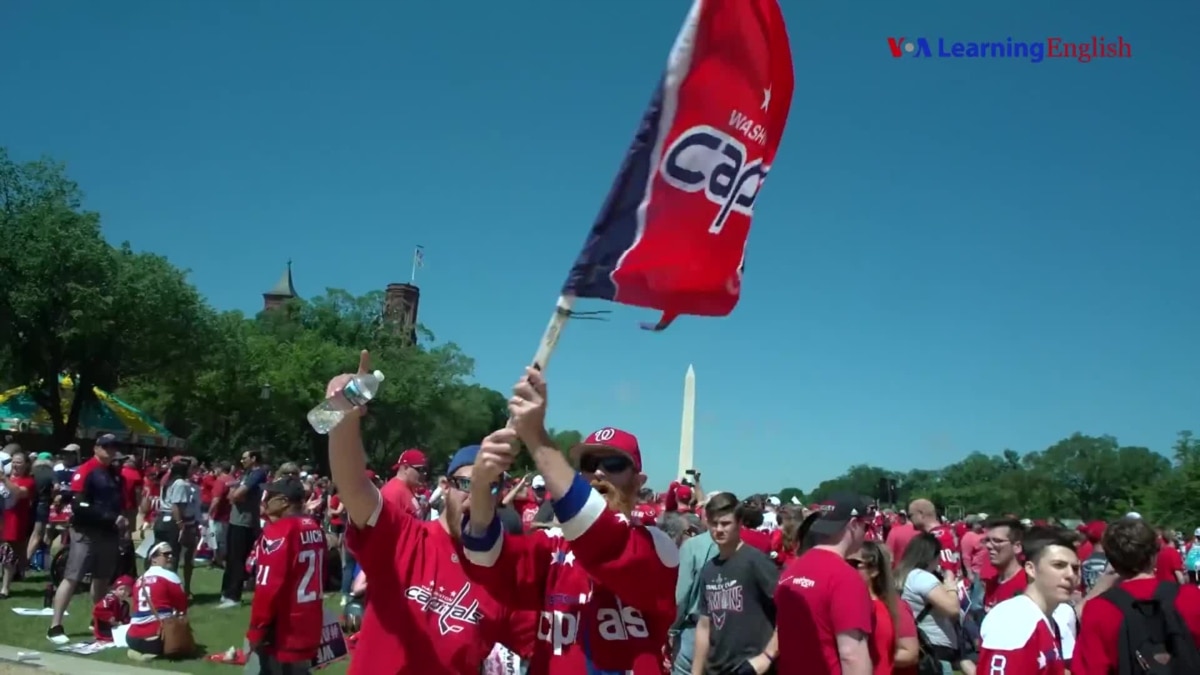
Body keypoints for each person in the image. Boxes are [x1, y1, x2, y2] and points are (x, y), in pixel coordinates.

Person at [325, 350, 534, 674]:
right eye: (468, 484)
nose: (475, 495)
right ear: (445, 486)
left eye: (489, 487)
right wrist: (343, 415)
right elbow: (352, 486)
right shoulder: (405, 537)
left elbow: (546, 649)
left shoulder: (504, 574)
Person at [462, 367, 679, 674]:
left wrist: (535, 436)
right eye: (590, 464)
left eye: (614, 463)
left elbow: (602, 539)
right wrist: (482, 484)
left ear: (638, 481)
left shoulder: (658, 547)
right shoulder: (552, 546)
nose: (599, 473)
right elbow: (483, 556)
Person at [1073, 517, 1200, 674]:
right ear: (1155, 554)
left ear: (1111, 560)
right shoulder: (1191, 597)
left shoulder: (1098, 609)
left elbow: (1090, 669)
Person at [774, 493, 873, 675]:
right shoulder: (845, 577)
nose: (866, 533)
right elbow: (851, 655)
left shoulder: (790, 571)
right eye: (866, 526)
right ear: (853, 525)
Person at [48, 434, 126, 645]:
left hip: (108, 532)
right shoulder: (86, 470)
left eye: (113, 447)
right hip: (86, 532)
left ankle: (98, 620)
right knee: (73, 576)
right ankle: (55, 625)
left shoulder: (114, 473)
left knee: (102, 578)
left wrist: (120, 521)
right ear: (96, 448)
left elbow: (118, 501)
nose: (111, 451)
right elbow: (78, 505)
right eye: (106, 447)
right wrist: (110, 517)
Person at [690, 492, 778, 675]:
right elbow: (705, 625)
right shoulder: (709, 569)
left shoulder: (755, 561)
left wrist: (768, 655)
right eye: (714, 523)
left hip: (750, 667)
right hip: (716, 668)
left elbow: (788, 610)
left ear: (739, 524)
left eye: (725, 523)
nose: (718, 530)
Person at [246, 477, 327, 675]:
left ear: (283, 501)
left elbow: (269, 587)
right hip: (308, 620)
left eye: (270, 496)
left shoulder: (279, 531)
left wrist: (257, 629)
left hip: (282, 626)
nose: (265, 500)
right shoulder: (315, 528)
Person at [978, 527, 1080, 674]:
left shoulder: (1049, 618)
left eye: (1075, 568)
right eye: (1059, 565)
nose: (1070, 575)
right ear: (1031, 569)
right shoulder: (1013, 620)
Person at [848, 541, 919, 674]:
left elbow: (910, 653)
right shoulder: (844, 604)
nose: (846, 568)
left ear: (874, 571)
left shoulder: (895, 607)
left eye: (854, 564)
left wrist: (871, 656)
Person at [673, 507, 719, 675]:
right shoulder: (746, 548)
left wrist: (671, 630)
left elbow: (681, 595)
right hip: (730, 634)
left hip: (693, 630)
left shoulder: (692, 546)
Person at [220, 448, 267, 608]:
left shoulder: (257, 473)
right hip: (235, 520)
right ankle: (226, 592)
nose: (242, 461)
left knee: (239, 558)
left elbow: (236, 494)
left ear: (254, 458)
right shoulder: (245, 474)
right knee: (231, 557)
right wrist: (235, 493)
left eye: (245, 458)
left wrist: (235, 493)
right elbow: (230, 495)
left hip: (245, 522)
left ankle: (234, 596)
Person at [127, 541, 189, 660]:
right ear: (153, 559)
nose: (170, 557)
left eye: (171, 554)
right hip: (155, 638)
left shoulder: (140, 579)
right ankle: (150, 654)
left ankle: (136, 651)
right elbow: (182, 607)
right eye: (166, 554)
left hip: (131, 637)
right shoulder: (170, 576)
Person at [154, 458, 201, 596]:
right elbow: (176, 506)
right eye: (191, 467)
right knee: (171, 557)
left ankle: (171, 589)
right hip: (176, 521)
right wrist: (181, 525)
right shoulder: (180, 483)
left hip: (167, 519)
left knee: (171, 556)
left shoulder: (170, 481)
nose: (193, 470)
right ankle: (169, 590)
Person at [92, 574, 134, 641]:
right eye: (121, 589)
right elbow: (98, 610)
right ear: (115, 590)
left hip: (116, 628)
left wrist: (127, 622)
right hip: (105, 629)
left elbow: (125, 618)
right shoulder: (110, 599)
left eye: (127, 590)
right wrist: (110, 617)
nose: (123, 592)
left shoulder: (125, 605)